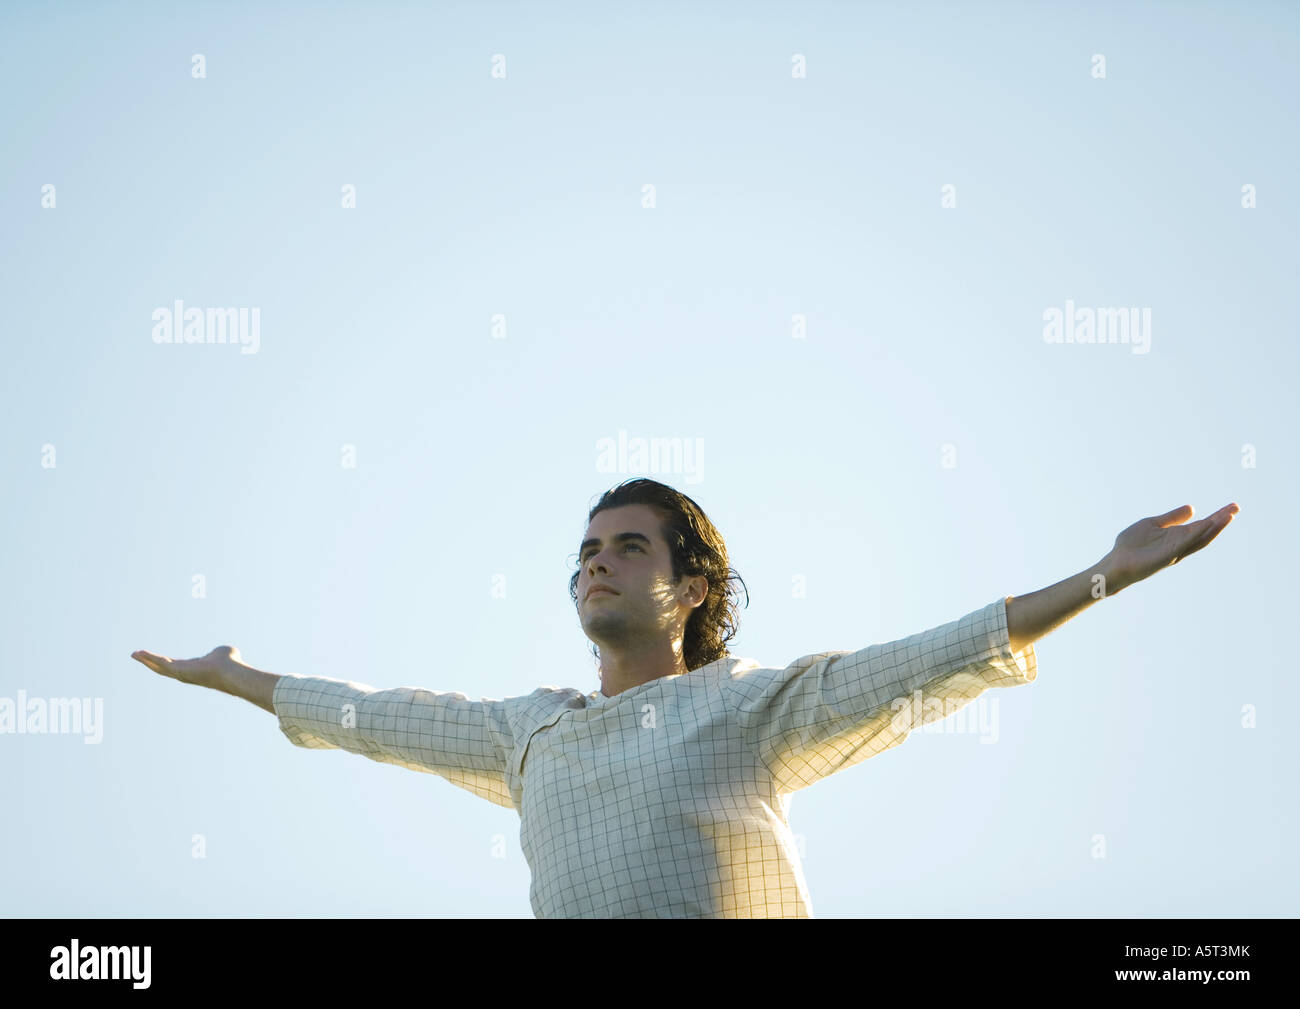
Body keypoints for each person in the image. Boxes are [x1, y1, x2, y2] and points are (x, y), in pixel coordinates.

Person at [132, 478, 1239, 918]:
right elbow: (372, 716)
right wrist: (232, 675)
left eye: (627, 547)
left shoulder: (749, 706)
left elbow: (924, 660)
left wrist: (1104, 575)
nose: (595, 563)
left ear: (691, 588)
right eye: (585, 551)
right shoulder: (526, 732)